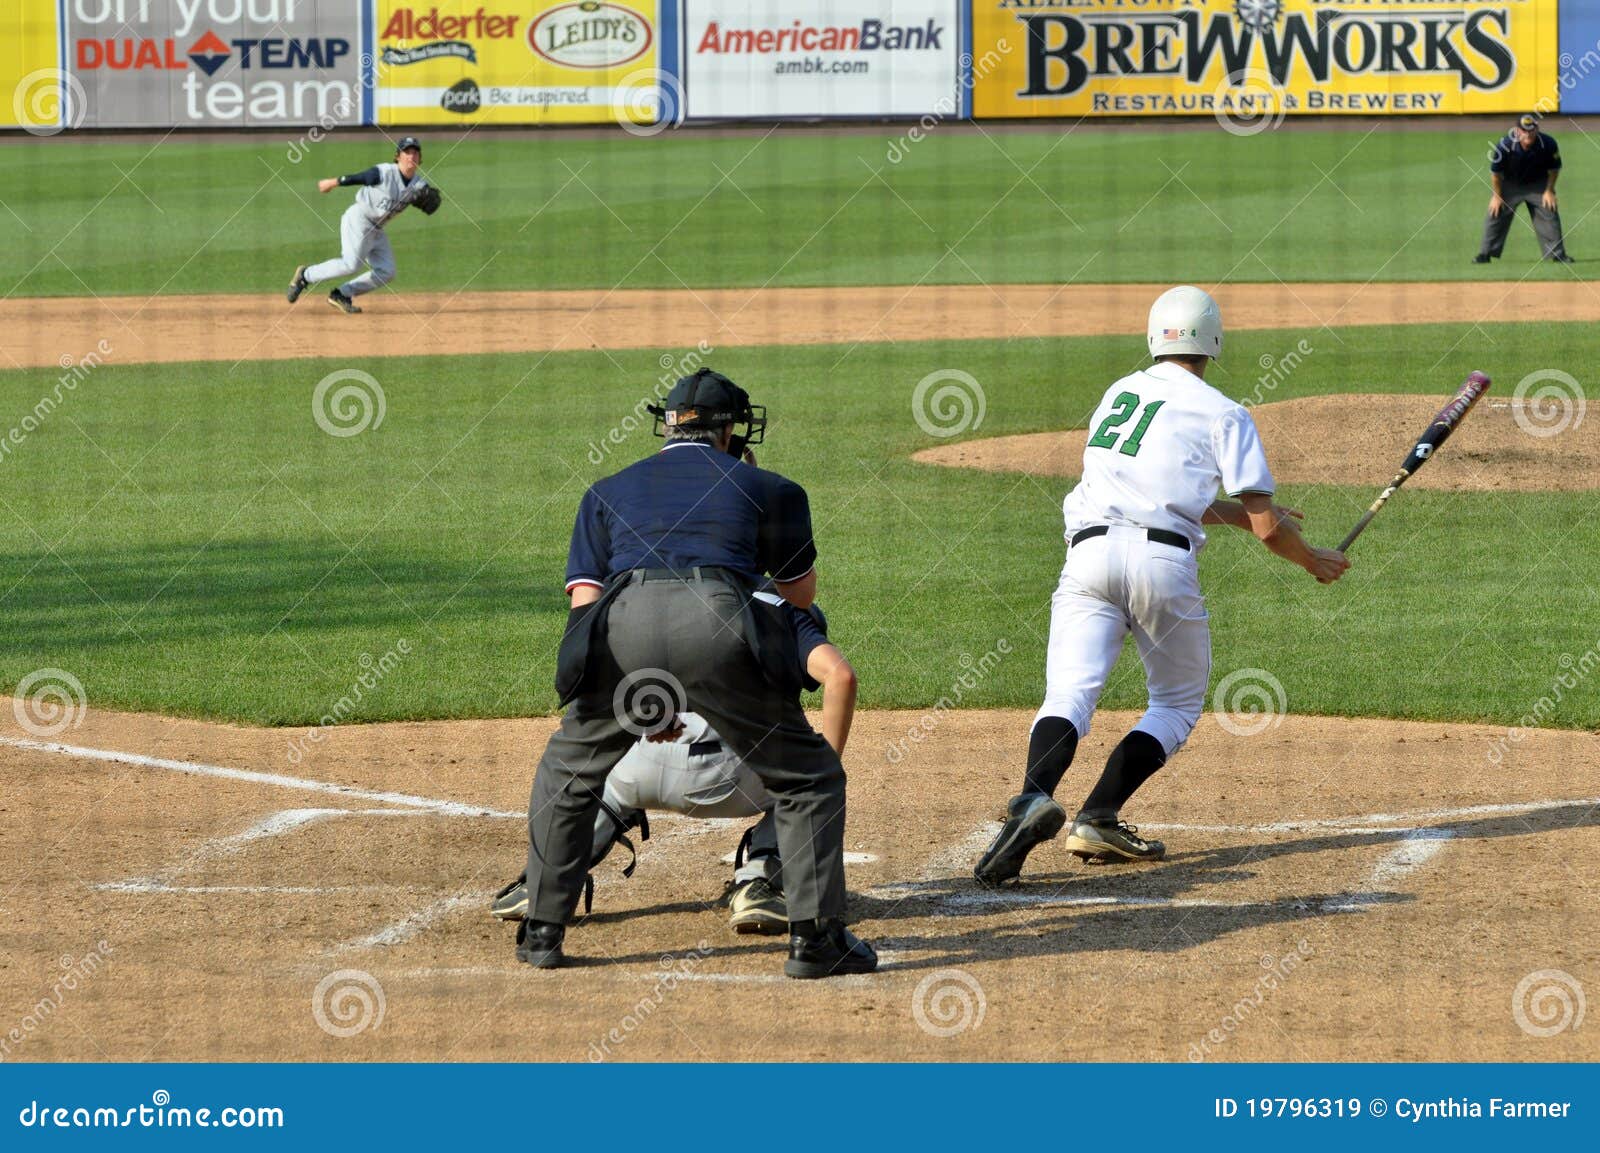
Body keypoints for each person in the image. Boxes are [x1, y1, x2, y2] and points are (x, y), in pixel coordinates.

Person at [974, 286, 1350, 886]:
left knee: (1068, 697)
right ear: (1214, 342)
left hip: (1088, 556)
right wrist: (1313, 560)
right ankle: (1098, 816)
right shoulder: (1225, 410)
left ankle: (1031, 799)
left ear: (1155, 337)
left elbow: (1149, 496)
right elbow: (1266, 529)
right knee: (1174, 703)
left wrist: (1230, 515)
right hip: (1160, 568)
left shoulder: (1120, 392)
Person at [517, 367, 876, 979]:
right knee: (809, 778)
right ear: (731, 429)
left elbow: (584, 607)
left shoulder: (606, 490)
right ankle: (814, 943)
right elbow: (797, 595)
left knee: (567, 771)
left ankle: (541, 932)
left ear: (670, 426)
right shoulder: (771, 487)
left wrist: (638, 700)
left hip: (620, 623)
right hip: (718, 618)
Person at [490, 601, 857, 936]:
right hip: (730, 780)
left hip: (635, 769)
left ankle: (547, 883)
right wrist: (821, 773)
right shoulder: (782, 604)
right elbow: (840, 678)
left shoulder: (645, 601)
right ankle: (760, 882)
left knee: (606, 764)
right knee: (803, 778)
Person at [286, 136, 440, 314]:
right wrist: (333, 182)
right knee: (350, 264)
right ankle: (305, 275)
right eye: (407, 152)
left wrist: (430, 200)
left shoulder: (419, 184)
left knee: (387, 271)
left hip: (377, 229)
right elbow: (360, 177)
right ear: (398, 156)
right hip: (359, 219)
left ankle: (341, 294)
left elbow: (433, 203)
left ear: (420, 159)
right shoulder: (385, 172)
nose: (411, 157)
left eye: (415, 153)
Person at [1475, 114, 1572, 265]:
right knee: (1495, 212)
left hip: (1538, 185)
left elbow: (1554, 169)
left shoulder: (1548, 143)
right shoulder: (1504, 145)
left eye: (1531, 130)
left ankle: (1558, 255)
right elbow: (1495, 174)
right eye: (1524, 130)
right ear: (1517, 131)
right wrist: (1497, 196)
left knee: (1549, 211)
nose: (1528, 134)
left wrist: (1549, 190)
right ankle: (1484, 254)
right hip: (1510, 184)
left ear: (1537, 129)